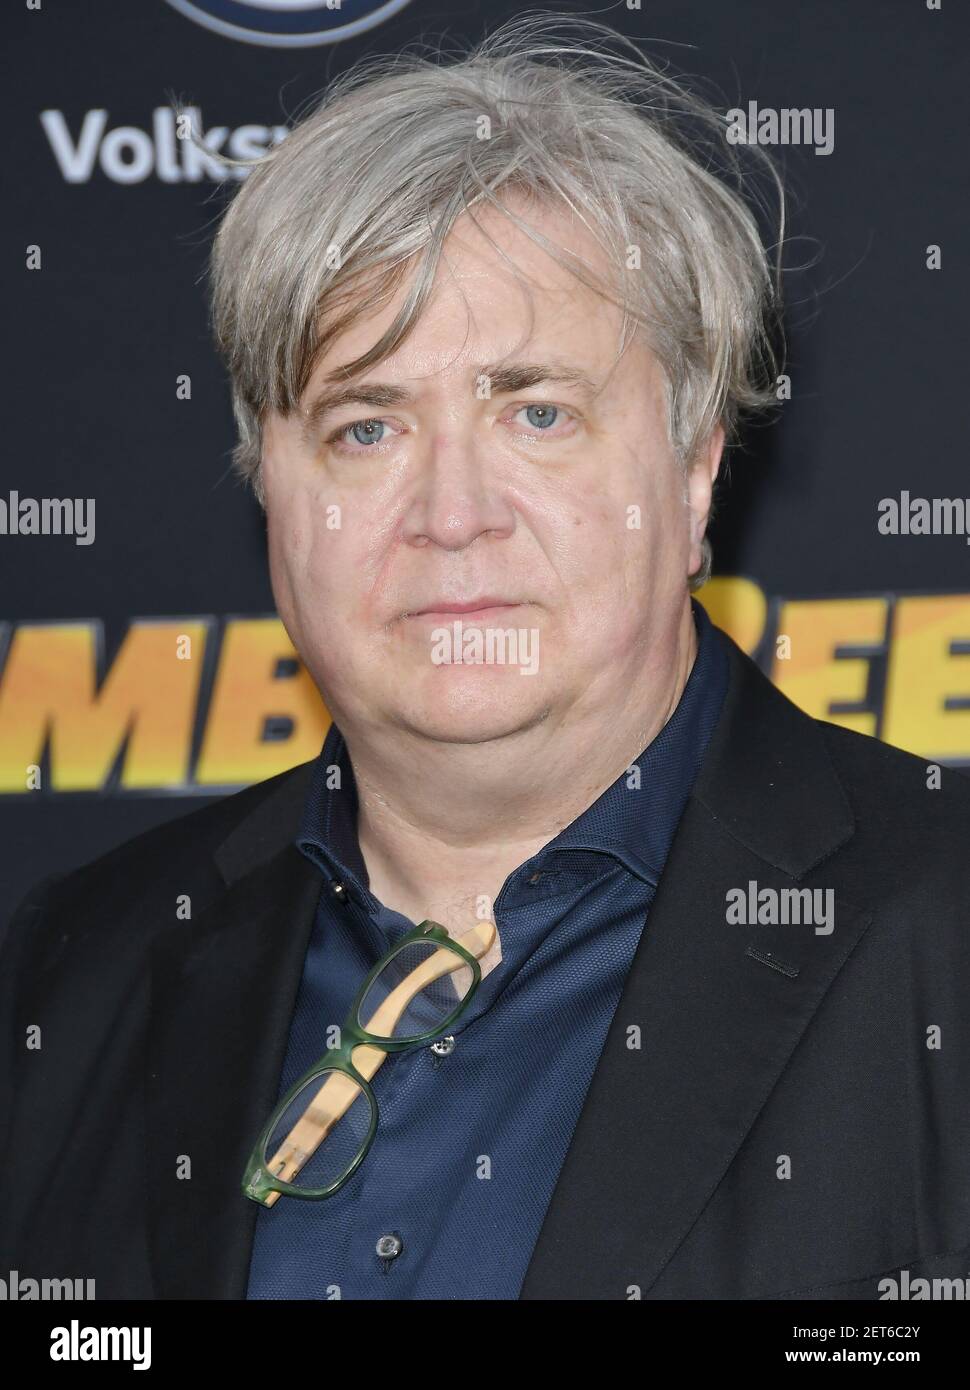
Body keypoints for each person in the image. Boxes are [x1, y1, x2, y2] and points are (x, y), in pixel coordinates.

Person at [2, 14, 968, 1301]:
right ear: (266, 488)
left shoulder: (942, 933)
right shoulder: (76, 965)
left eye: (538, 411)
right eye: (363, 428)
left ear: (694, 473)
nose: (452, 511)